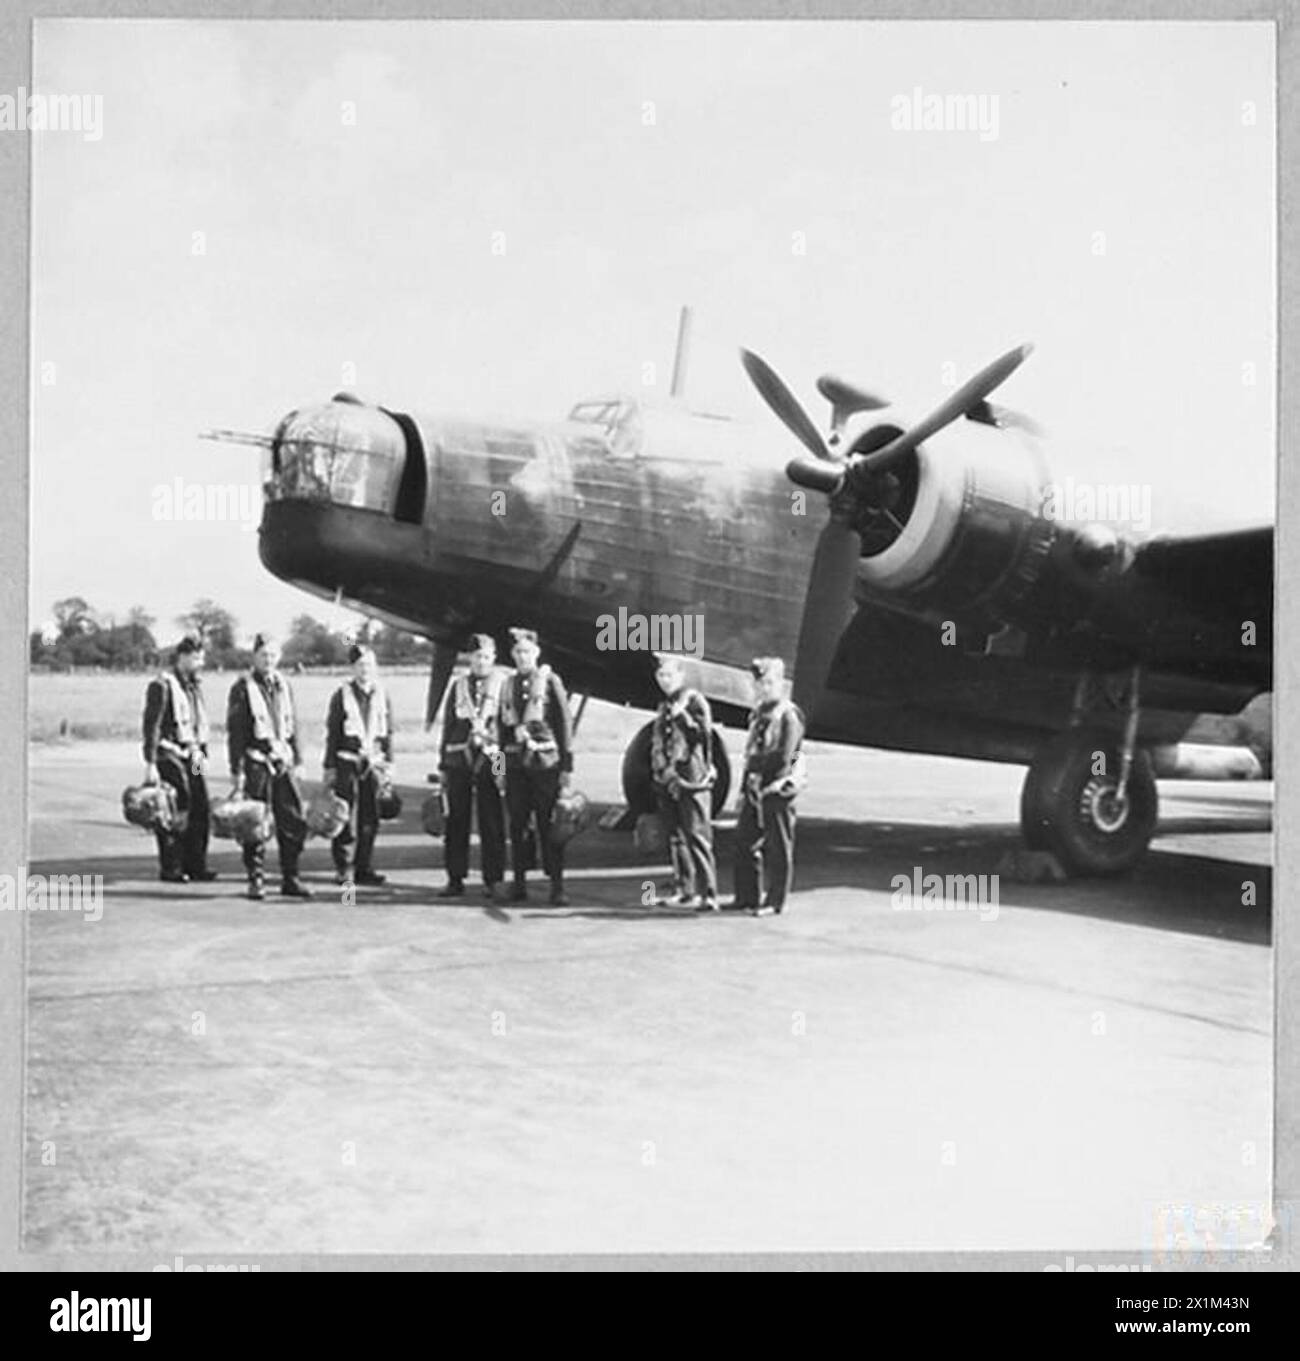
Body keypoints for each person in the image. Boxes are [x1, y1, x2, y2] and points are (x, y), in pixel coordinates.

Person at [226, 633, 311, 901]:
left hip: (283, 761)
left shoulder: (285, 685)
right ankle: (256, 878)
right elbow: (236, 733)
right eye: (264, 655)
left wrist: (299, 759)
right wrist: (237, 770)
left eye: (273, 655)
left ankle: (291, 876)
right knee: (254, 823)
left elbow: (293, 725)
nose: (269, 660)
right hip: (256, 763)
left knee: (293, 820)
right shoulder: (242, 688)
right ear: (254, 657)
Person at [500, 628, 574, 905]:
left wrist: (566, 767)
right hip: (516, 768)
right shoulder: (507, 685)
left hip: (546, 766)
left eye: (527, 652)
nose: (522, 657)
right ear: (512, 655)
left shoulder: (550, 681)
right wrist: (499, 772)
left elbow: (564, 724)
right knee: (518, 827)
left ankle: (557, 887)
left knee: (550, 827)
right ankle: (519, 885)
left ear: (537, 653)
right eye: (518, 652)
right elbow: (500, 733)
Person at [732, 656, 805, 916]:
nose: (764, 688)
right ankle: (746, 896)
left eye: (770, 683)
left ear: (781, 683)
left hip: (777, 789)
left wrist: (756, 765)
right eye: (760, 683)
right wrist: (743, 789)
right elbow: (749, 752)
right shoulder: (758, 714)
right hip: (755, 789)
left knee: (778, 846)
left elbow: (784, 757)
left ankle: (775, 901)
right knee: (744, 842)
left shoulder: (788, 715)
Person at [437, 633, 507, 900]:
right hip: (458, 759)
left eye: (487, 657)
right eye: (478, 657)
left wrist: (502, 772)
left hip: (492, 758)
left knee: (492, 821)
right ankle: (455, 878)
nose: (482, 662)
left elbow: (506, 729)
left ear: (494, 658)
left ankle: (493, 879)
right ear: (469, 658)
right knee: (456, 820)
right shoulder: (459, 687)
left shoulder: (502, 685)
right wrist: (443, 765)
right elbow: (448, 728)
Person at [141, 635, 215, 883]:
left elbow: (198, 724)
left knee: (200, 806)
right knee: (175, 807)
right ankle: (171, 866)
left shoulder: (194, 686)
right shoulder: (162, 686)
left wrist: (202, 754)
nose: (199, 662)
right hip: (169, 752)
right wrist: (150, 763)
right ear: (181, 657)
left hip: (193, 753)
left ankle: (196, 864)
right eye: (195, 658)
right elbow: (151, 726)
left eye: (201, 657)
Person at [649, 653, 718, 911]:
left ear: (680, 676)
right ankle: (684, 889)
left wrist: (682, 716)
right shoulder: (665, 704)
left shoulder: (694, 701)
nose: (664, 680)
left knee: (697, 835)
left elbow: (703, 735)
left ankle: (708, 893)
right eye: (660, 675)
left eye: (669, 675)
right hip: (668, 777)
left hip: (692, 778)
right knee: (676, 837)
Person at [323, 643, 394, 888]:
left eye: (370, 664)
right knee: (345, 816)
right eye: (361, 664)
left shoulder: (382, 694)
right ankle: (344, 867)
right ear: (352, 667)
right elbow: (332, 733)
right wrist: (329, 767)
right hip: (348, 762)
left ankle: (364, 866)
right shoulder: (341, 695)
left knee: (370, 818)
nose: (366, 669)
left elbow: (388, 733)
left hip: (373, 763)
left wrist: (389, 763)